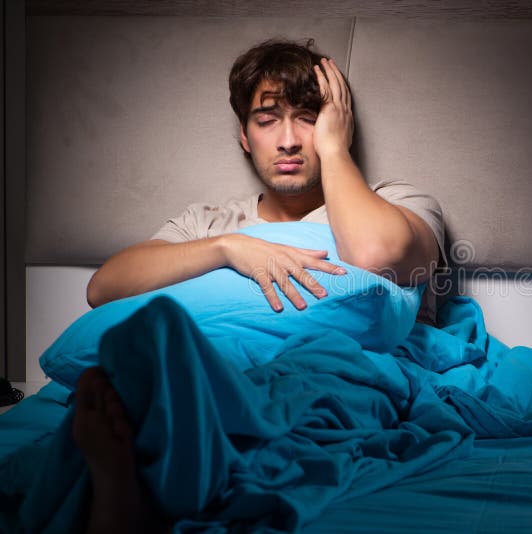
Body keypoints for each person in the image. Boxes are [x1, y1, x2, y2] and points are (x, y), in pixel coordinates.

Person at [73, 39, 446, 533]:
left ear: (338, 124)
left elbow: (377, 254)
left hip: (330, 370)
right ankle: (174, 454)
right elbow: (105, 288)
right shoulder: (209, 223)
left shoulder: (397, 200)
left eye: (308, 118)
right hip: (221, 359)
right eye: (267, 120)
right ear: (245, 137)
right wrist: (228, 249)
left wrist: (334, 150)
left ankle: (174, 473)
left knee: (307, 396)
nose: (288, 140)